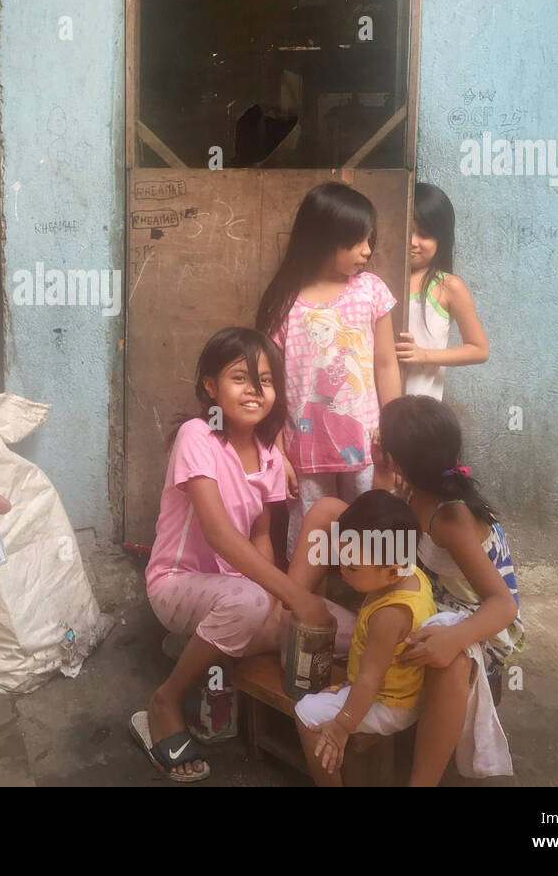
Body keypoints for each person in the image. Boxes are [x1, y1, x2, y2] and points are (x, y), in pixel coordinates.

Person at [289, 395, 522, 785]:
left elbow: (503, 606)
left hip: (478, 622)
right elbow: (374, 515)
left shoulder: (451, 516)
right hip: (423, 596)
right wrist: (382, 468)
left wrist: (453, 639)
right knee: (332, 511)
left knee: (449, 660)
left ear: (400, 459)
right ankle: (290, 614)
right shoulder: (413, 492)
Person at [131, 327, 329, 783]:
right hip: (178, 584)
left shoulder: (270, 456)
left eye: (266, 380)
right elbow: (220, 536)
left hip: (237, 590)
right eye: (241, 378)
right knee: (260, 605)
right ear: (209, 385)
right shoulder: (198, 435)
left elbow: (262, 538)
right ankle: (166, 699)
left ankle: (203, 643)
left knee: (332, 628)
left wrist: (288, 607)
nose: (256, 391)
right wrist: (292, 598)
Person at [256, 182, 402, 560]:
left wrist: (396, 428)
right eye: (355, 242)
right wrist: (277, 451)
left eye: (369, 240)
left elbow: (386, 363)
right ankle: (310, 608)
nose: (367, 251)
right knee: (312, 541)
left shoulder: (370, 291)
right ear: (321, 239)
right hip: (304, 446)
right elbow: (268, 381)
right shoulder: (285, 301)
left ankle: (370, 605)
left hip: (366, 440)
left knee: (373, 531)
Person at [293, 490, 436, 787]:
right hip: (406, 687)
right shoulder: (411, 574)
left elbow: (370, 680)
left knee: (306, 713)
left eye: (352, 567)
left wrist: (341, 726)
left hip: (390, 703)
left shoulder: (389, 616)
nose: (342, 571)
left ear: (392, 572)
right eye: (341, 557)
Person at [397, 184, 490, 399]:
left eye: (425, 234)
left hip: (420, 410)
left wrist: (424, 355)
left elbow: (479, 350)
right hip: (372, 410)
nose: (413, 242)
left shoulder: (448, 286)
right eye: (407, 230)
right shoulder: (376, 281)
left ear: (442, 238)